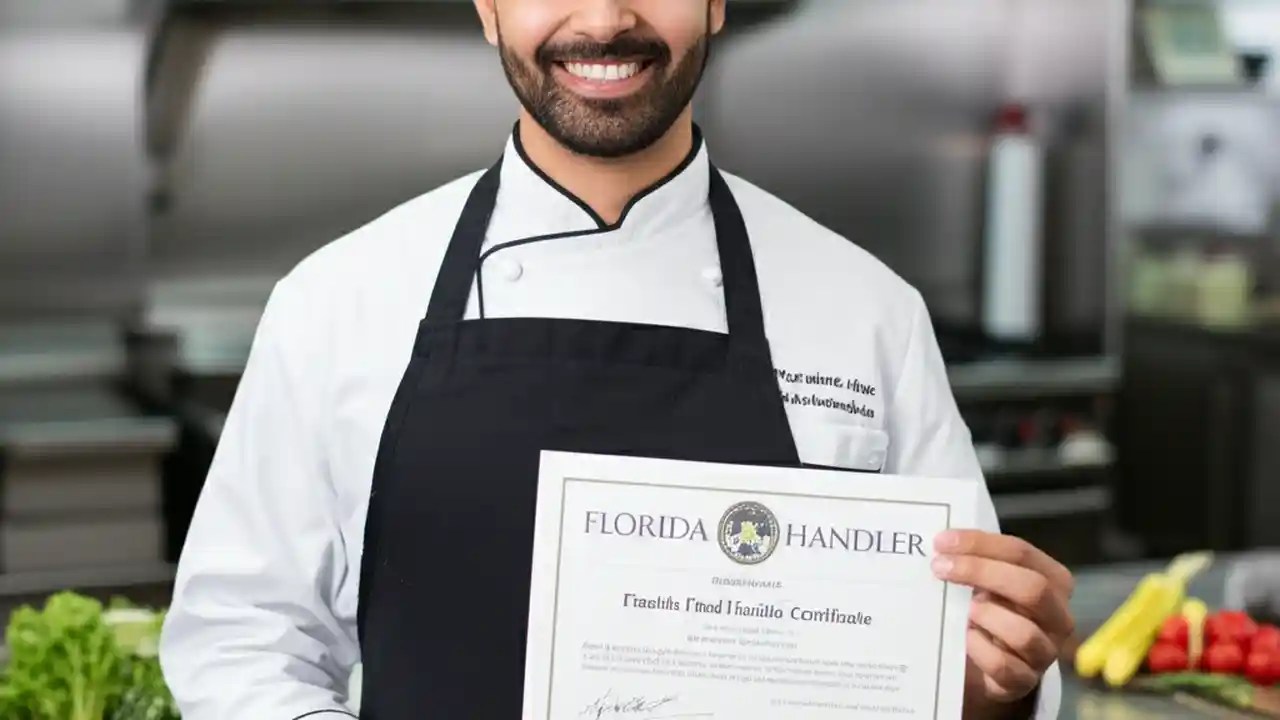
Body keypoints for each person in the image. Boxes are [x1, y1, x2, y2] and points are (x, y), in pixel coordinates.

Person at [158, 1, 1074, 718]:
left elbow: (957, 667)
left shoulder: (868, 313)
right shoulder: (338, 301)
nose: (603, 20)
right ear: (487, 6)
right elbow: (240, 641)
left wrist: (989, 689)